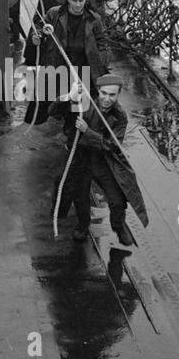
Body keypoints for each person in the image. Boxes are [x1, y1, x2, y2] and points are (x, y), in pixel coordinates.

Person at [61, 74, 148, 245]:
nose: (107, 99)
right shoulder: (84, 104)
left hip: (104, 161)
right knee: (80, 197)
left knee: (117, 200)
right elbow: (54, 111)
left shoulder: (120, 116)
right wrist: (69, 98)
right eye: (104, 93)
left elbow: (112, 146)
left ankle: (118, 226)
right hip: (82, 158)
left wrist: (89, 132)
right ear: (98, 92)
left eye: (112, 95)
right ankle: (83, 225)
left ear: (118, 95)